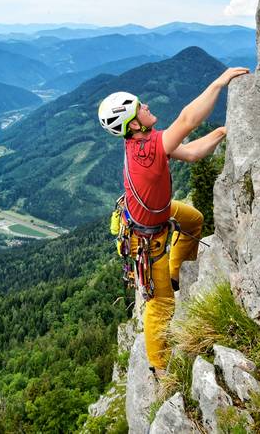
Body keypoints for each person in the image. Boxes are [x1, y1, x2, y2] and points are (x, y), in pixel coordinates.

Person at [97, 66, 249, 375]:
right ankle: (160, 366)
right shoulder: (149, 150)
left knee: (193, 219)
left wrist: (221, 132)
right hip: (146, 240)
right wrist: (218, 82)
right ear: (134, 123)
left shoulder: (145, 143)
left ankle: (177, 272)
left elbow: (191, 153)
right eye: (140, 106)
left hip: (157, 214)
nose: (147, 106)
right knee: (160, 304)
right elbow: (188, 120)